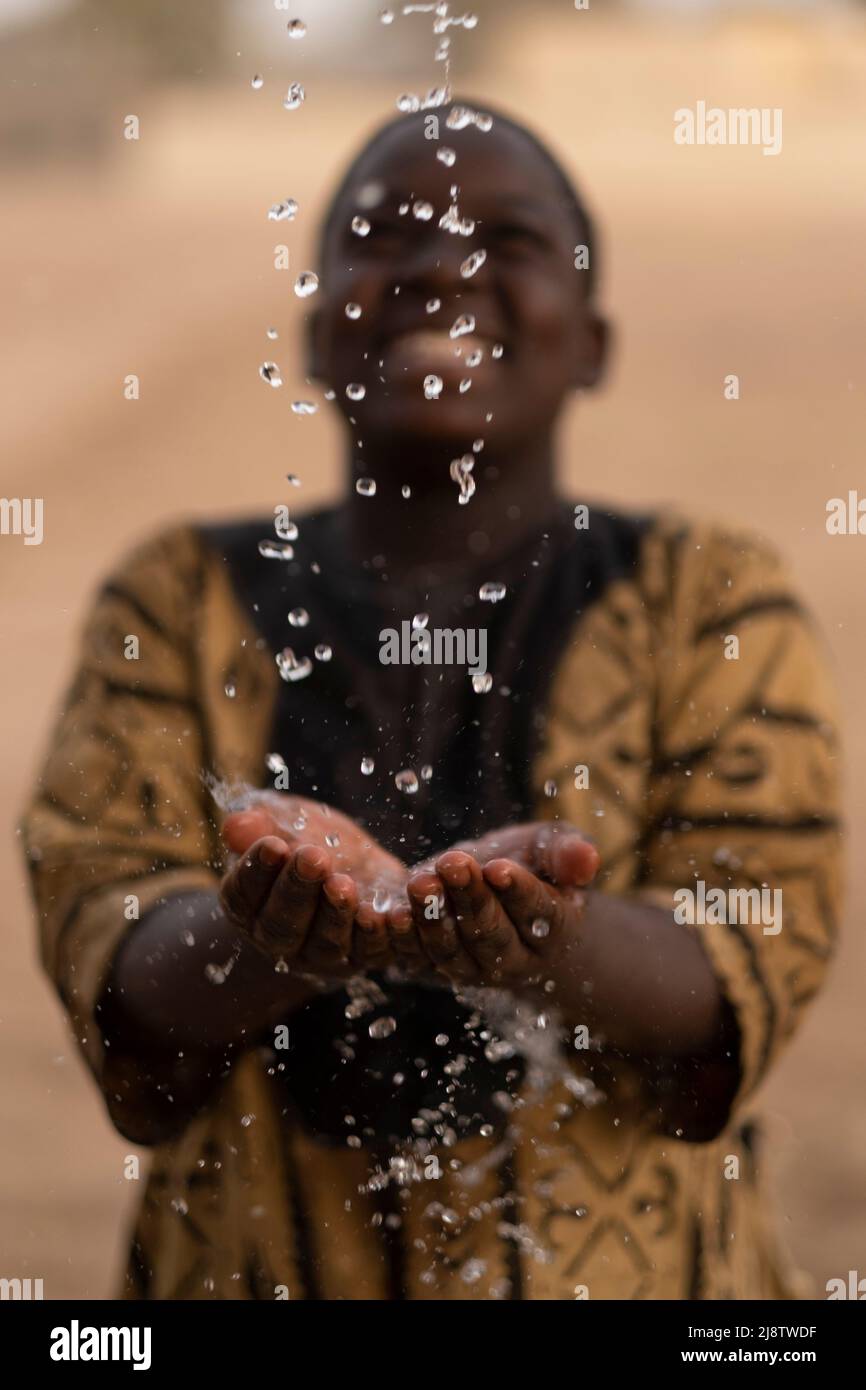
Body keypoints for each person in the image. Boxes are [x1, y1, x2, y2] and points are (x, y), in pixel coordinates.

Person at [20, 102, 842, 1301]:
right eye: (385, 235)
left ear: (593, 341)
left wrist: (550, 942)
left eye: (506, 241)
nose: (442, 264)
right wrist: (267, 934)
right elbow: (111, 935)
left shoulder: (710, 600)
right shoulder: (173, 598)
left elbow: (748, 945)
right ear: (310, 333)